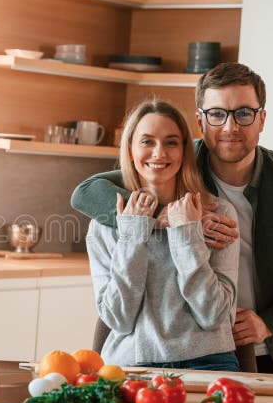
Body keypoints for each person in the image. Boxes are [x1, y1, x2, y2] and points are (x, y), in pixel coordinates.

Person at [72, 63, 273, 376]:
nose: (230, 127)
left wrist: (270, 322)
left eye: (244, 113)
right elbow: (86, 192)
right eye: (217, 114)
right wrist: (165, 217)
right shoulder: (176, 161)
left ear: (262, 119)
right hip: (195, 345)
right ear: (200, 121)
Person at [86, 98, 241, 371]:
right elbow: (118, 318)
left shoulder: (218, 215)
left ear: (184, 151)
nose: (159, 153)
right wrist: (133, 235)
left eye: (171, 142)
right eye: (147, 141)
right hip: (134, 363)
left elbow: (214, 315)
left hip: (209, 361)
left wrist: (186, 234)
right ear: (130, 150)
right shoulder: (105, 224)